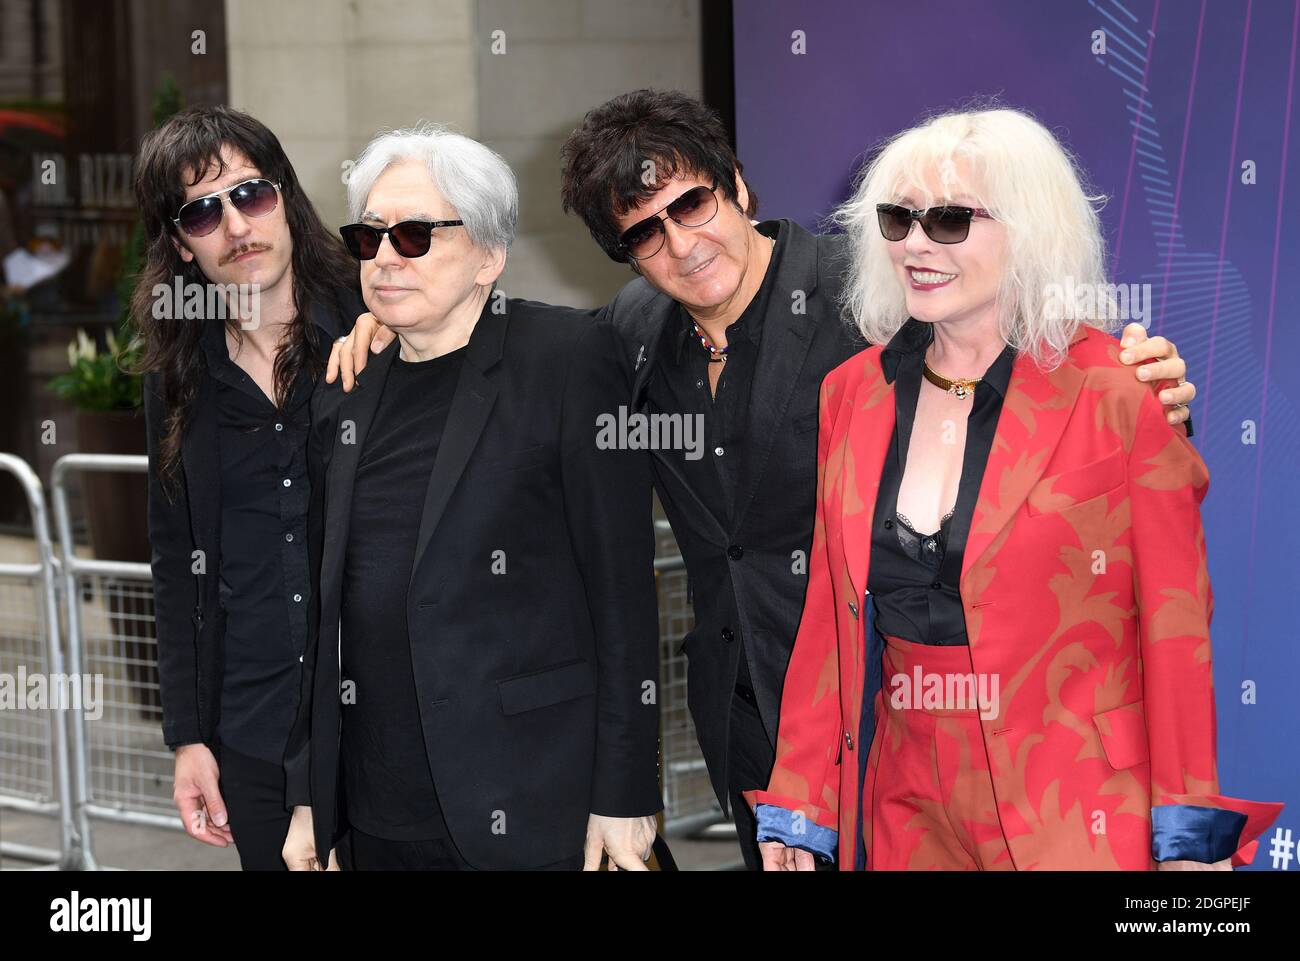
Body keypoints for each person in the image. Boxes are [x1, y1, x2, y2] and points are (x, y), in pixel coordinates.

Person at [330, 89, 1199, 870]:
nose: (681, 242)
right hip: (752, 729)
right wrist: (387, 338)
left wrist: (1143, 380)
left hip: (904, 718)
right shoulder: (628, 340)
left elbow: (1019, 378)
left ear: (737, 186)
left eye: (693, 203)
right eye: (643, 231)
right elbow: (513, 356)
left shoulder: (872, 297)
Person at [749, 107, 1282, 870]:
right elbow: (828, 619)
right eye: (899, 219)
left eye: (951, 219)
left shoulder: (1119, 390)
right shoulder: (851, 394)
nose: (916, 245)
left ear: (1029, 230)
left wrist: (1187, 834)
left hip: (1081, 798)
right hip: (908, 799)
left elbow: (1175, 626)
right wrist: (801, 801)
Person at [279, 126, 661, 871]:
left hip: (531, 796)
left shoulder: (567, 360)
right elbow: (326, 614)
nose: (387, 256)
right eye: (369, 236)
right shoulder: (346, 387)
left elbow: (623, 596)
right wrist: (310, 799)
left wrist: (625, 791)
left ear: (489, 254)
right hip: (378, 811)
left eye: (417, 235)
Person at [135, 105, 364, 869]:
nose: (236, 226)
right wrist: (190, 737)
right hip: (253, 730)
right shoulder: (177, 381)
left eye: (251, 194)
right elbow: (177, 563)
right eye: (202, 211)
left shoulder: (374, 333)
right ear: (180, 243)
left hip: (378, 717)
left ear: (286, 198)